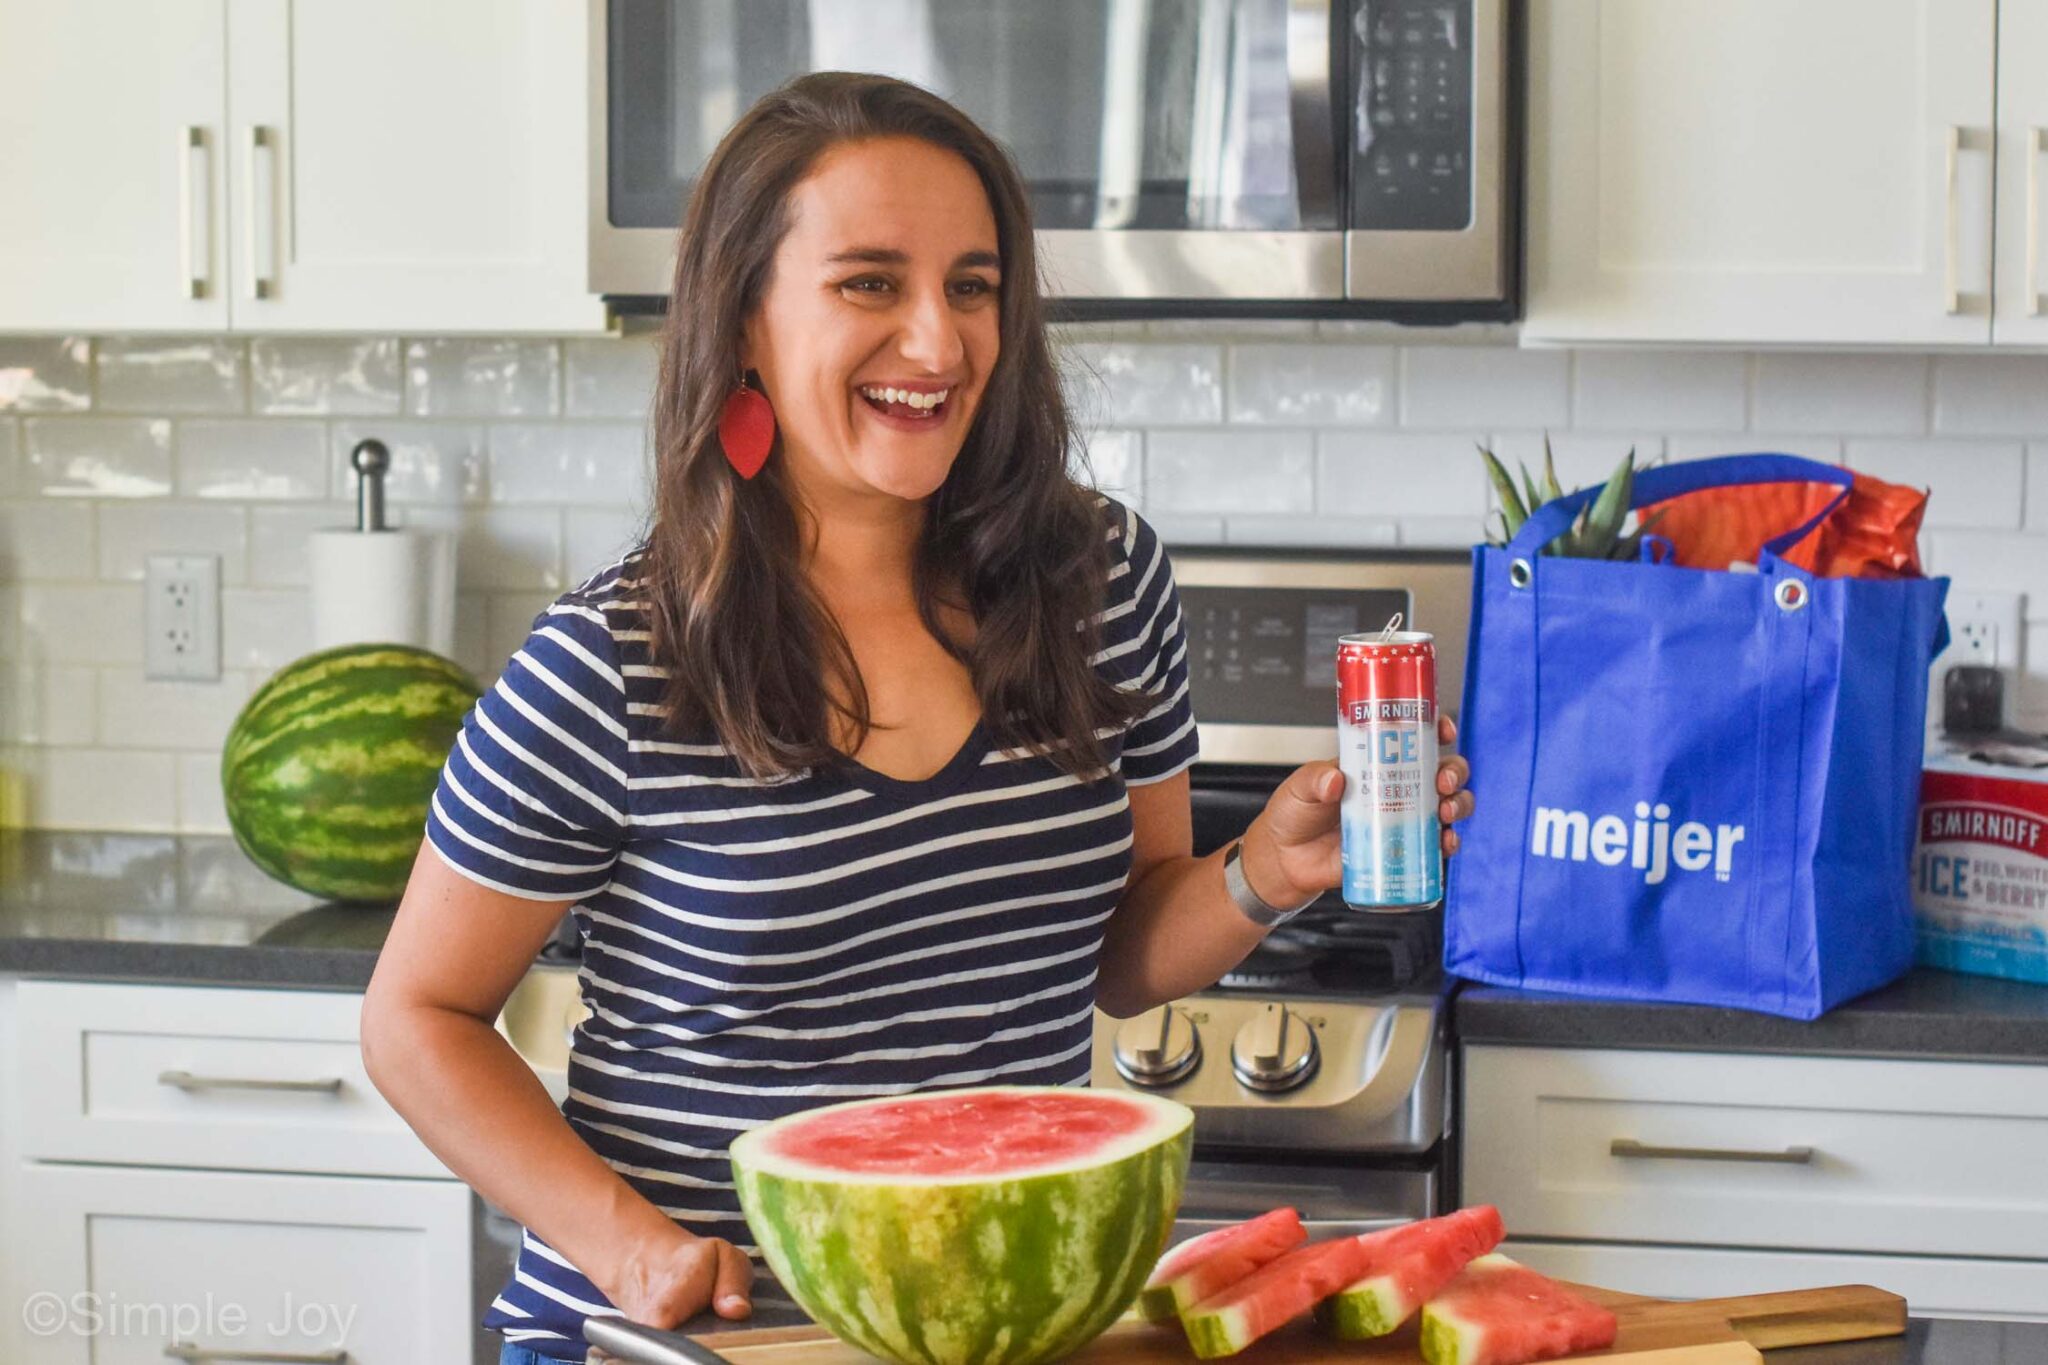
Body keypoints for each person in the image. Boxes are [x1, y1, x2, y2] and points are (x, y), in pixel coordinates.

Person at [359, 71, 1475, 1365]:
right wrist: (630, 1241)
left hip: (1000, 1329)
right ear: (746, 322)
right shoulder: (617, 659)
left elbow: (1119, 950)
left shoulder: (1102, 583)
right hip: (690, 1344)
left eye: (973, 285)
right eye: (870, 283)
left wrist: (1262, 874)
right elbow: (415, 1017)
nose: (940, 343)